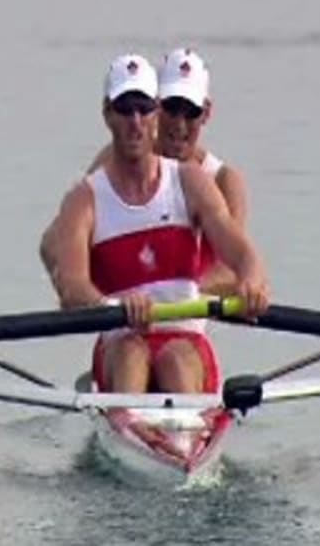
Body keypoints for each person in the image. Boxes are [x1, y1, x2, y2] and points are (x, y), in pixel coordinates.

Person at [41, 53, 270, 395]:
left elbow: (243, 254)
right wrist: (111, 307)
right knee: (132, 353)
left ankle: (178, 437)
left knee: (175, 359)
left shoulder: (193, 182)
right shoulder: (84, 197)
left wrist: (252, 282)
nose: (135, 120)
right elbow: (71, 283)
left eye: (144, 109)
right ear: (107, 114)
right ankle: (145, 430)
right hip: (120, 341)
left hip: (186, 338)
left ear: (154, 113)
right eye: (124, 109)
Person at [41, 48, 250, 296]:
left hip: (187, 314)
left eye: (190, 111)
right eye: (172, 108)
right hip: (123, 312)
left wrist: (171, 295)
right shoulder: (115, 161)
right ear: (158, 108)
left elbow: (231, 270)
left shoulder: (222, 181)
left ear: (206, 113)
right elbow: (51, 245)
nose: (179, 123)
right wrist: (81, 293)